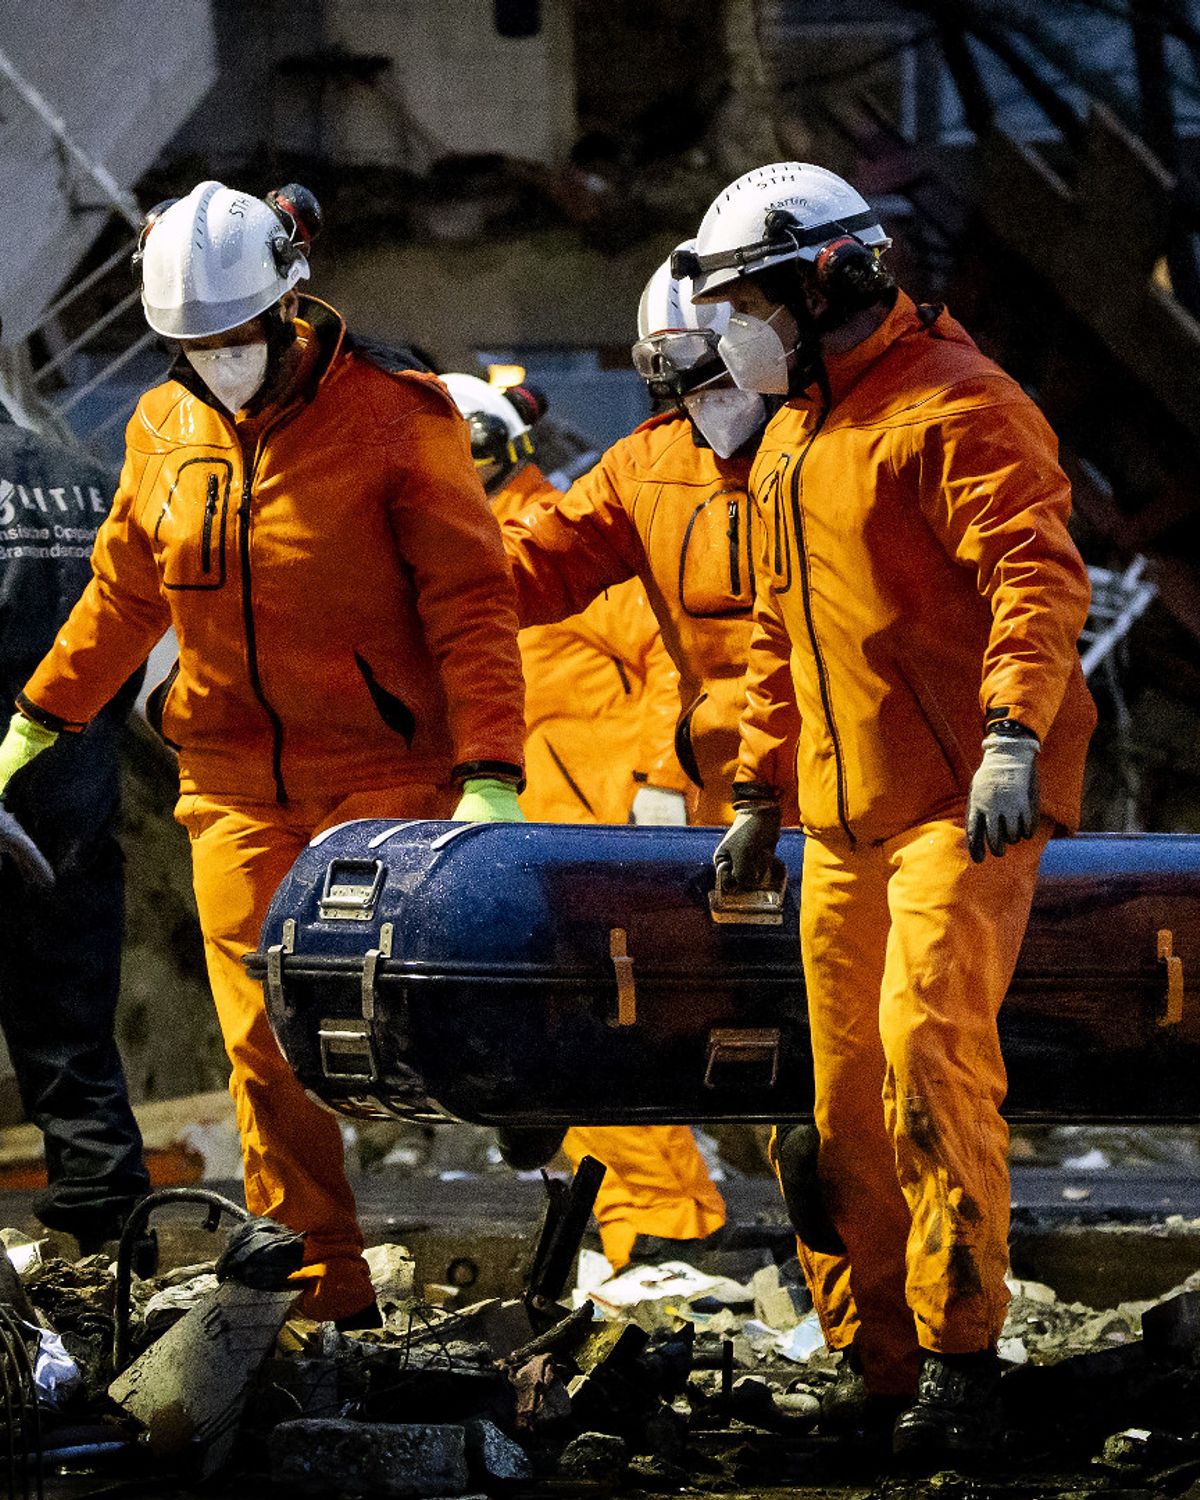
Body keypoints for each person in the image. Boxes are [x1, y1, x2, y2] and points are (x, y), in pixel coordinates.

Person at [0, 180, 527, 1325]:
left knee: (406, 1017)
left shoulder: (399, 415)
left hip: (383, 774)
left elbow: (472, 605)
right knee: (264, 1046)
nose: (212, 360)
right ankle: (319, 1285)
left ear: (291, 306)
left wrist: (489, 771)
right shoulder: (163, 425)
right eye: (188, 344)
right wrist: (43, 718)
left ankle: (530, 1137)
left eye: (231, 340)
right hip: (233, 785)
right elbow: (123, 593)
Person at [688, 162, 1096, 1463]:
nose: (735, 325)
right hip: (839, 821)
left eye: (750, 296)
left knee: (929, 1065)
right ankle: (884, 1374)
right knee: (839, 1109)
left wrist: (1011, 740)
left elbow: (1035, 577)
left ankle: (965, 1365)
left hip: (958, 807)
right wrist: (756, 790)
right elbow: (778, 636)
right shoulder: (797, 436)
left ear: (830, 279)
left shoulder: (961, 409)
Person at [444, 371, 726, 1271]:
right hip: (535, 841)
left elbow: (674, 656)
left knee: (598, 1031)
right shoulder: (469, 547)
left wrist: (657, 780)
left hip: (595, 834)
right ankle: (638, 1233)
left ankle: (662, 1234)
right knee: (568, 1041)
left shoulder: (544, 540)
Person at [501, 245, 788, 826]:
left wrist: (660, 774)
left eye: (723, 383)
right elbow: (530, 565)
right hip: (723, 795)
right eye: (694, 390)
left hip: (858, 791)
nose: (714, 407)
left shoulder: (851, 443)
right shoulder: (648, 469)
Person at [0, 411, 150, 1252]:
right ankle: (116, 1256)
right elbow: (127, 637)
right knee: (73, 1049)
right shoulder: (92, 479)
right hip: (70, 807)